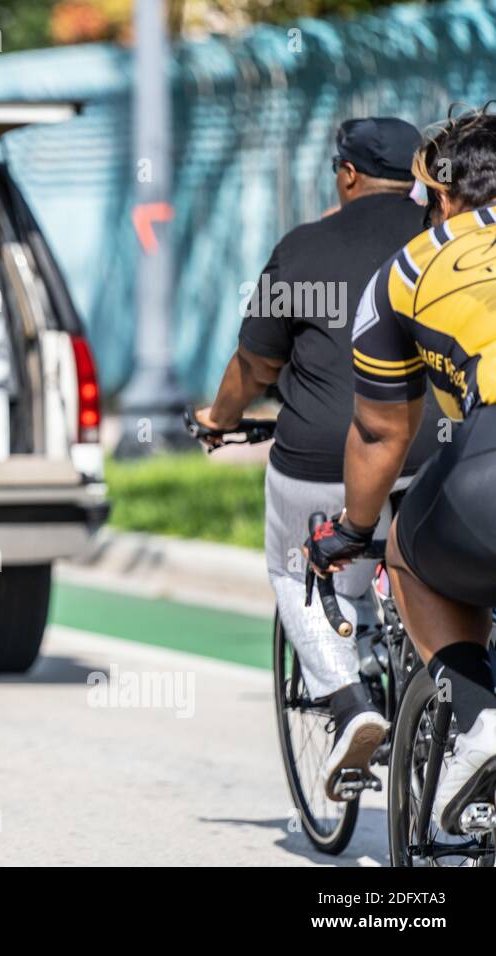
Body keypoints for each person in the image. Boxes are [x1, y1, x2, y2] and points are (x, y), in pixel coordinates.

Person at [195, 117, 444, 799]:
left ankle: (349, 704)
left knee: (291, 567)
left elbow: (256, 362)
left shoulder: (301, 250)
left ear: (347, 173)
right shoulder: (440, 242)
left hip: (323, 455)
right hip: (436, 450)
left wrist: (219, 421)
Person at [305, 106, 496, 834]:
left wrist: (353, 530)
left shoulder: (412, 265)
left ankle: (479, 721)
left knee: (408, 553)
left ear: (443, 199)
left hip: (485, 475)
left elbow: (382, 431)